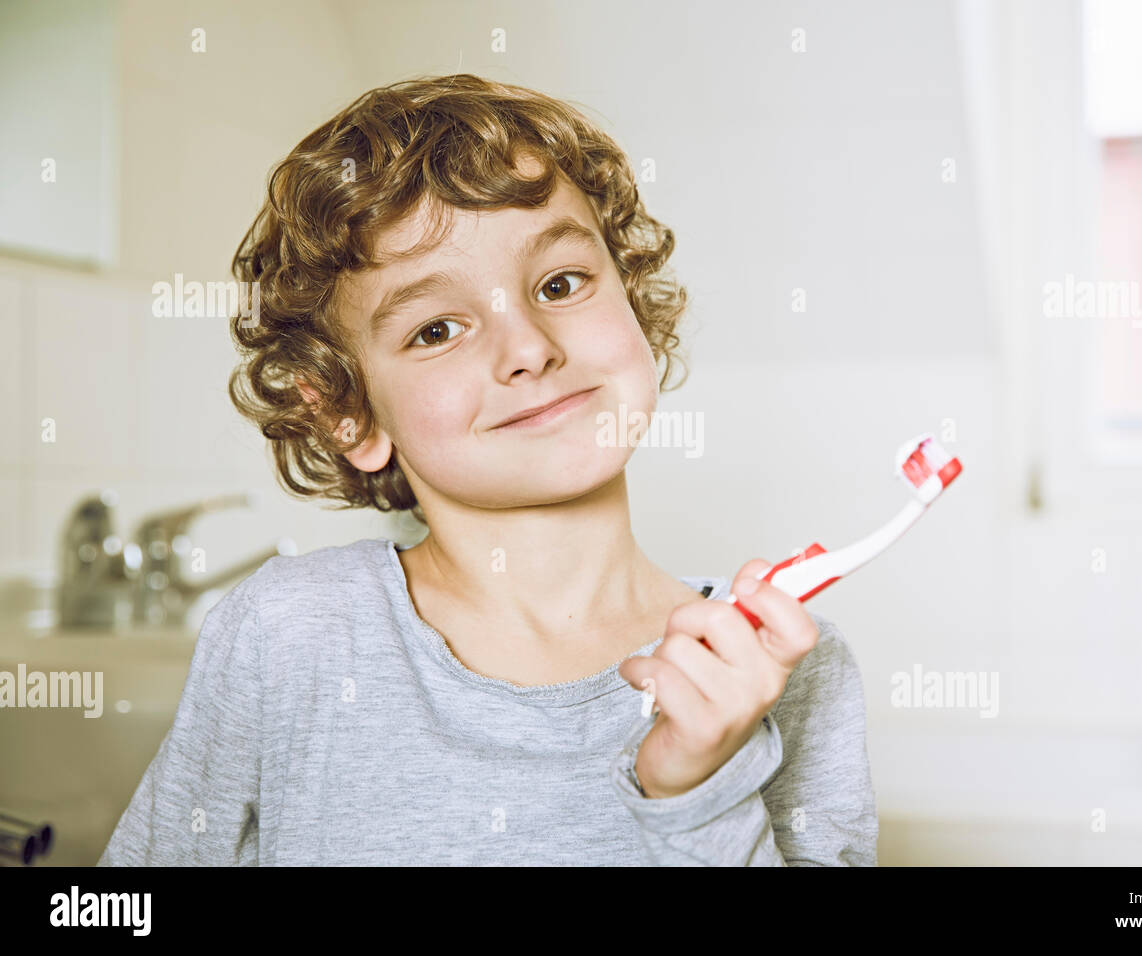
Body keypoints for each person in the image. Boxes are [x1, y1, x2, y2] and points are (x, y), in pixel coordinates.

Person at [98, 74, 877, 865]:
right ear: (349, 415)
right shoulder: (290, 635)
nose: (530, 347)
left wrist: (695, 794)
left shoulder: (785, 666)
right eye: (436, 329)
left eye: (561, 284)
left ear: (634, 307)